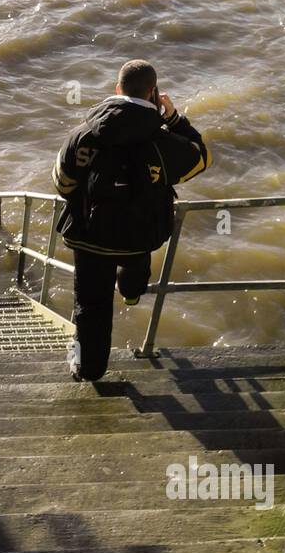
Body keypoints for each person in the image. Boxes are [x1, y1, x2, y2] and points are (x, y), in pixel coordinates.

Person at [52, 59, 212, 382]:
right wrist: (176, 119)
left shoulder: (83, 134)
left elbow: (61, 182)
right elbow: (201, 157)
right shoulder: (163, 142)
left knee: (90, 305)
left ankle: (89, 369)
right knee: (135, 261)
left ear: (117, 89)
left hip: (89, 238)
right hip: (138, 236)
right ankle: (130, 290)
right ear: (153, 94)